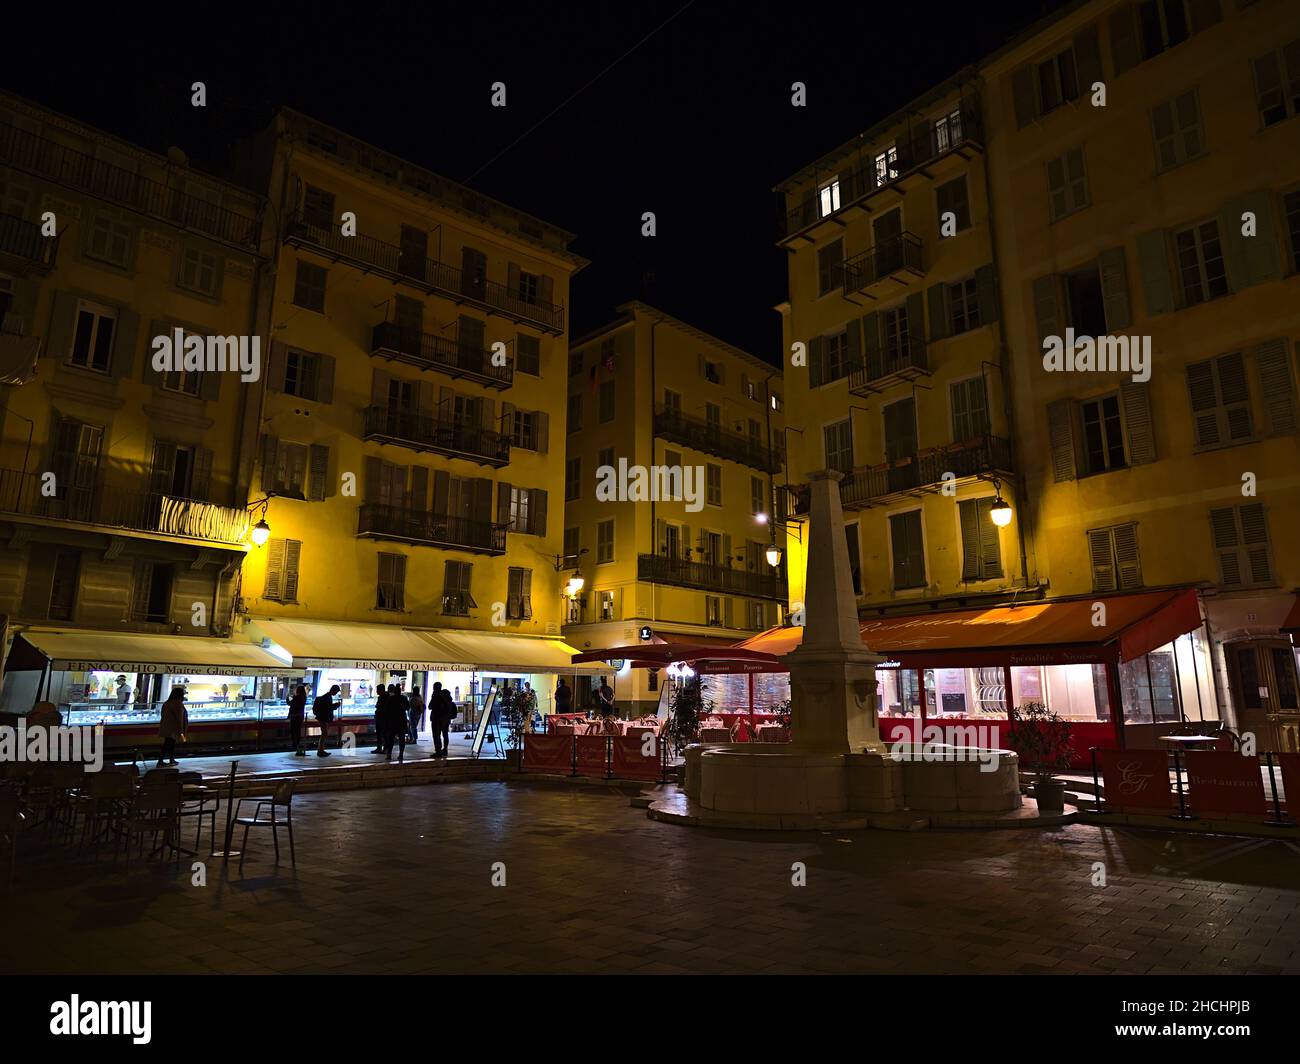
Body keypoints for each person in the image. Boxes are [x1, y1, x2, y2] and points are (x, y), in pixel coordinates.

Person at [157, 686, 188, 767]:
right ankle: (161, 761)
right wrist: (181, 730)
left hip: (166, 726)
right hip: (173, 727)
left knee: (169, 743)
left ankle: (170, 759)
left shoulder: (167, 703)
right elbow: (179, 717)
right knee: (169, 744)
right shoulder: (178, 703)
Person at [381, 683, 408, 761]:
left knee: (391, 738)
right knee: (401, 738)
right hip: (402, 720)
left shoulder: (391, 699)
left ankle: (389, 754)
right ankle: (401, 754)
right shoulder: (404, 698)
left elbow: (386, 710)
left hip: (393, 720)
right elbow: (407, 707)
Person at [313, 684, 340, 757]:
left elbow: (327, 707)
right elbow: (328, 708)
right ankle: (320, 750)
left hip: (322, 717)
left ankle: (321, 749)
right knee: (324, 733)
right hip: (323, 718)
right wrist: (335, 705)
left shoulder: (327, 696)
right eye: (336, 692)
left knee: (324, 733)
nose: (336, 693)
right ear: (333, 690)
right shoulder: (328, 697)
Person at [430, 682, 454, 758]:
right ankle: (445, 749)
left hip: (437, 719)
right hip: (446, 719)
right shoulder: (446, 695)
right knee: (445, 734)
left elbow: (430, 706)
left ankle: (438, 752)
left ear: (435, 687)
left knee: (436, 735)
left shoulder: (436, 695)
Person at [287, 684, 308, 756]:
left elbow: (290, 703)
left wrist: (287, 698)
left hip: (294, 716)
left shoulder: (296, 697)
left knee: (293, 730)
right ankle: (297, 744)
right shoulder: (304, 697)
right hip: (300, 716)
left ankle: (294, 745)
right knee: (298, 730)